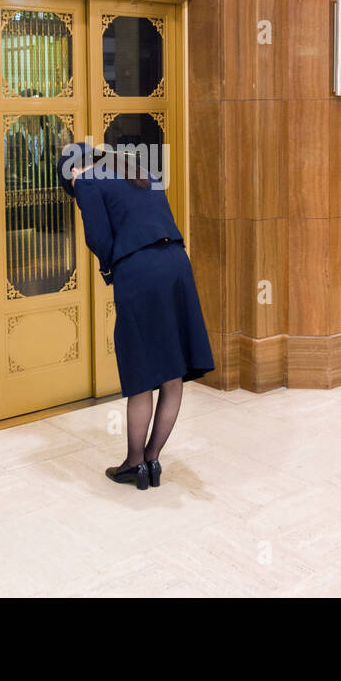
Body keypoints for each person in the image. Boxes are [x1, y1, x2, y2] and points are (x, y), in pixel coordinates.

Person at [58, 142, 213, 490]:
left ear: (71, 172)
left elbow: (98, 238)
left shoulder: (87, 181)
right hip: (176, 264)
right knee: (172, 372)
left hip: (139, 271)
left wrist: (110, 270)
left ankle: (133, 463)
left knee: (141, 370)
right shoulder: (137, 168)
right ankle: (152, 459)